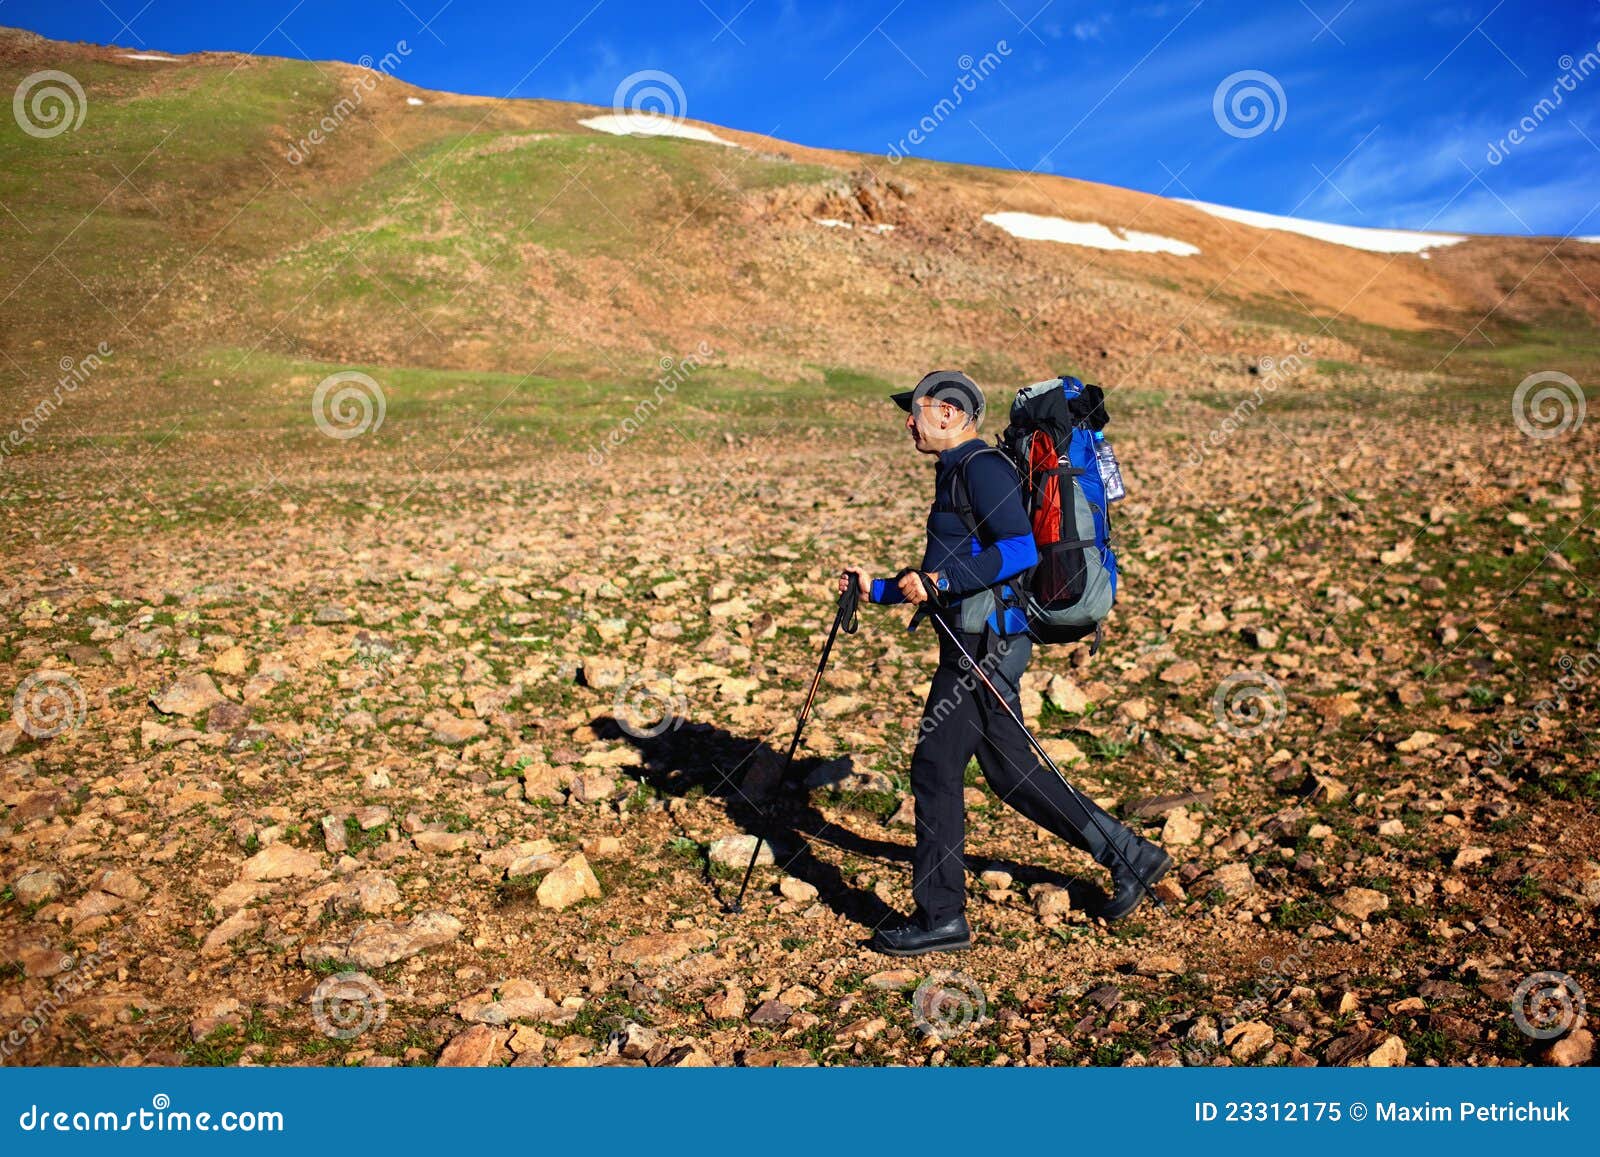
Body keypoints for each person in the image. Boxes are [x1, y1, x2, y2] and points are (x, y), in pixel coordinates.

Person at [843, 370, 1171, 956]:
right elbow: (946, 572)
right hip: (977, 641)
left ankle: (942, 916)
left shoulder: (980, 468)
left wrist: (941, 579)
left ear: (946, 412)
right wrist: (881, 590)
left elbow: (1017, 549)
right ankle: (1130, 855)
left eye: (912, 410)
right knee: (1011, 774)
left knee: (936, 769)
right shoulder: (957, 473)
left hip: (983, 648)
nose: (907, 421)